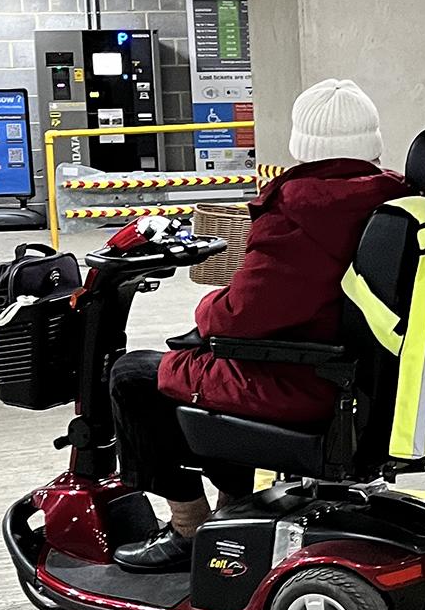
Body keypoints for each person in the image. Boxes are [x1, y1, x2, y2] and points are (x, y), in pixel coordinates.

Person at [109, 78, 406, 573]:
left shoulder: (303, 214)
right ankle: (232, 511)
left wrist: (207, 309)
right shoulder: (396, 200)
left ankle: (188, 528)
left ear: (302, 143)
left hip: (307, 383)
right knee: (204, 360)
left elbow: (242, 318)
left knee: (134, 375)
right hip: (370, 379)